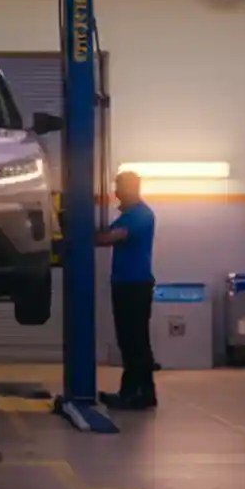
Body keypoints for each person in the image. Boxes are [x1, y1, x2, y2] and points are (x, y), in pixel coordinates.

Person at [96, 171, 158, 410]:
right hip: (124, 284)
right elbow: (104, 235)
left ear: (131, 188)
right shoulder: (128, 215)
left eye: (119, 187)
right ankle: (135, 392)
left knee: (135, 340)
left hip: (135, 285)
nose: (116, 192)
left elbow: (109, 237)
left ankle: (138, 394)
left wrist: (77, 234)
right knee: (128, 340)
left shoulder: (141, 215)